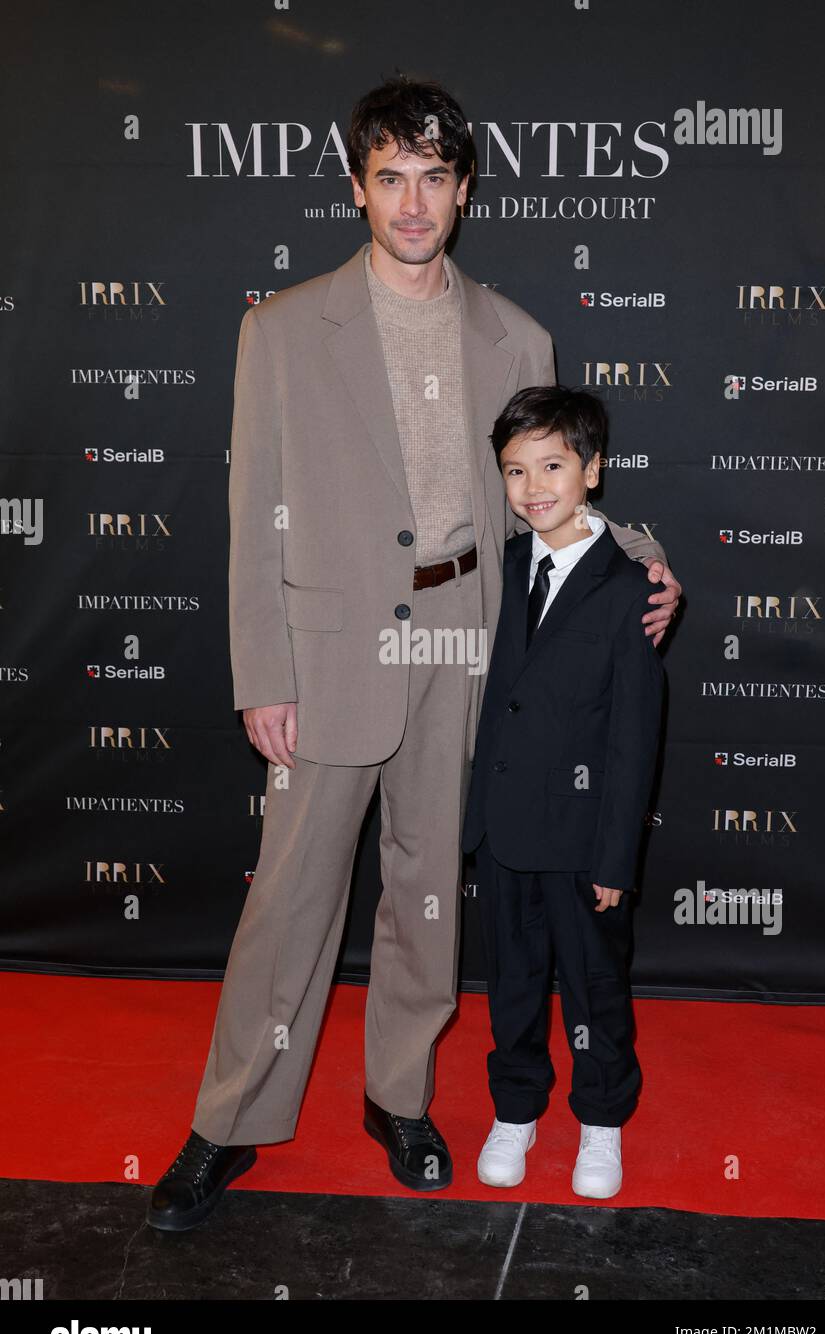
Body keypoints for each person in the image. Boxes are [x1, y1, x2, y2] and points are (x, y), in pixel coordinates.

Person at [146, 77, 681, 1233]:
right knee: (288, 903)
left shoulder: (516, 334)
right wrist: (263, 673)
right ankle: (230, 1118)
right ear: (356, 186)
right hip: (327, 657)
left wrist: (642, 557)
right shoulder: (280, 329)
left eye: (435, 176)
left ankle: (400, 1099)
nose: (412, 200)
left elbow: (561, 484)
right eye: (390, 175)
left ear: (466, 189)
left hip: (471, 655)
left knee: (428, 899)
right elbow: (254, 512)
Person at [462, 385, 665, 1201]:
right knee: (511, 983)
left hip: (585, 843)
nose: (533, 486)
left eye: (552, 465)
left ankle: (600, 1121)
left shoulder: (632, 589)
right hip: (506, 830)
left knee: (593, 986)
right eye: (515, 470)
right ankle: (514, 1110)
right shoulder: (507, 565)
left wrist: (615, 854)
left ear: (593, 471)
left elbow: (633, 737)